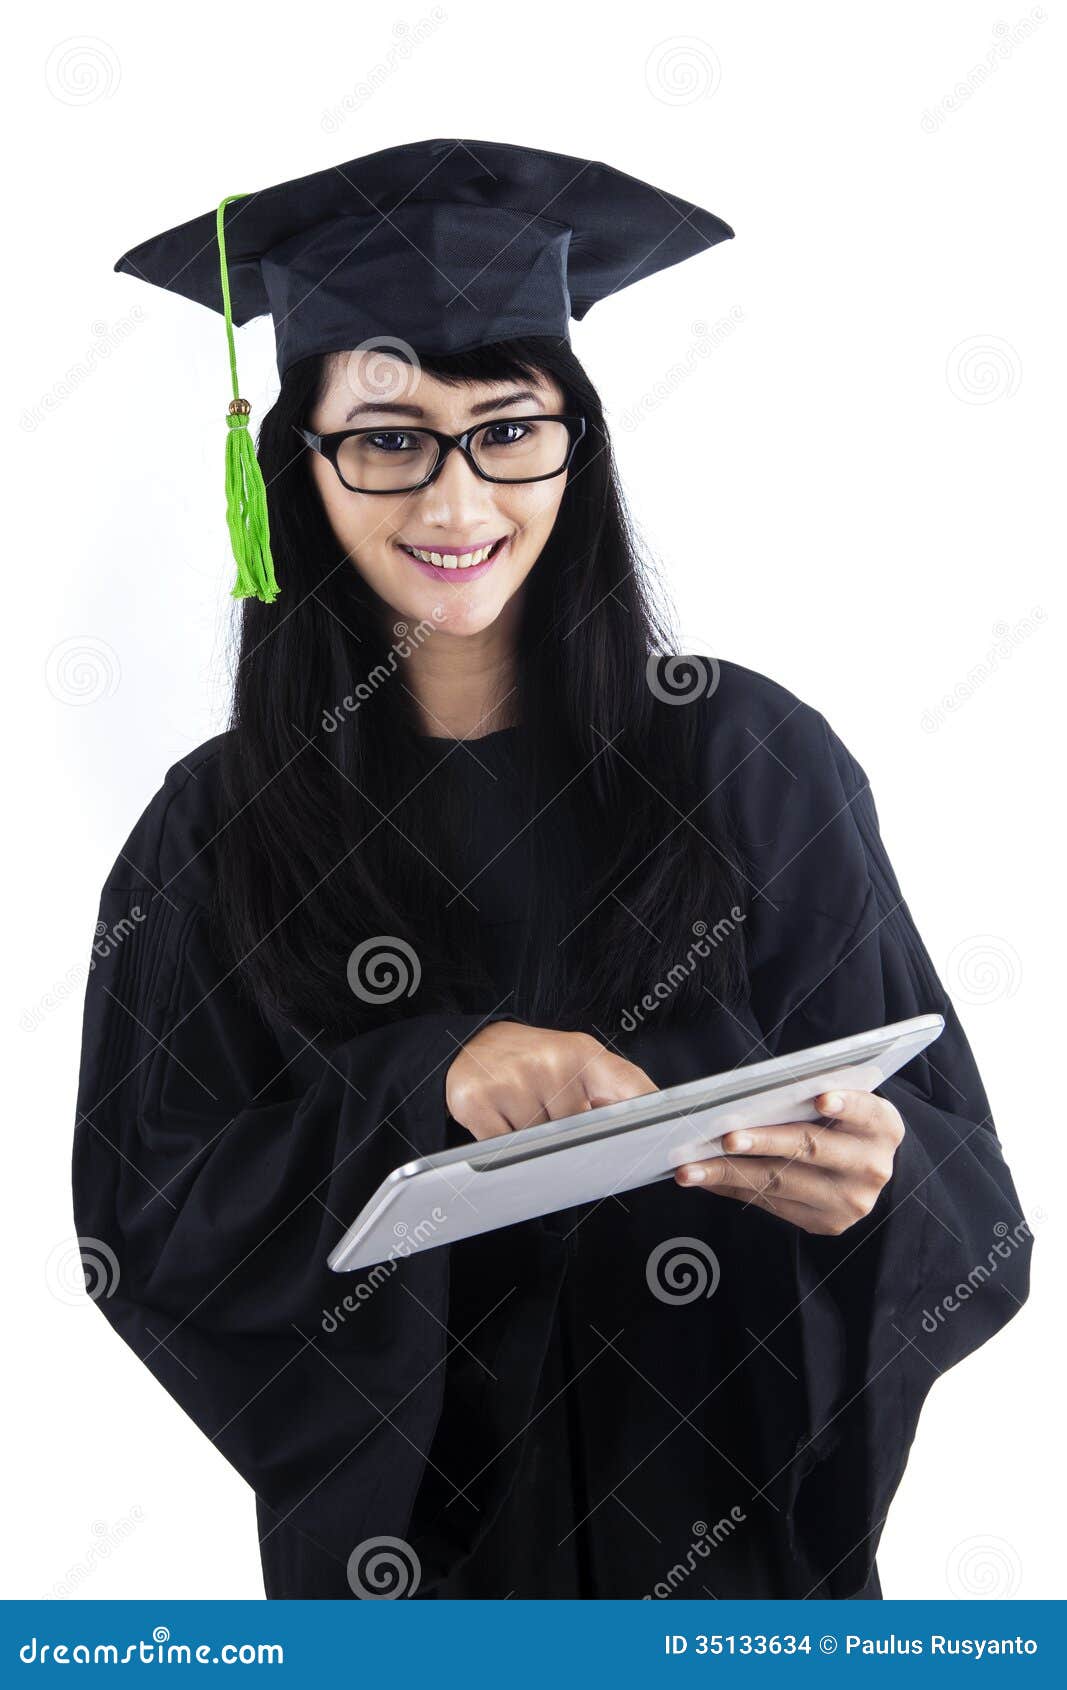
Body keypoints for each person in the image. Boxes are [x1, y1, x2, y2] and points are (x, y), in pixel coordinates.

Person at [72, 138, 1031, 1601]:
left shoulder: (752, 760)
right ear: (299, 463)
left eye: (508, 429)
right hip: (418, 1592)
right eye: (389, 436)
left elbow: (974, 1195)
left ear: (575, 443)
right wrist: (425, 1085)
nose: (458, 504)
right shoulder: (211, 833)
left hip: (735, 1579)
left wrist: (882, 1193)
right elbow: (146, 1221)